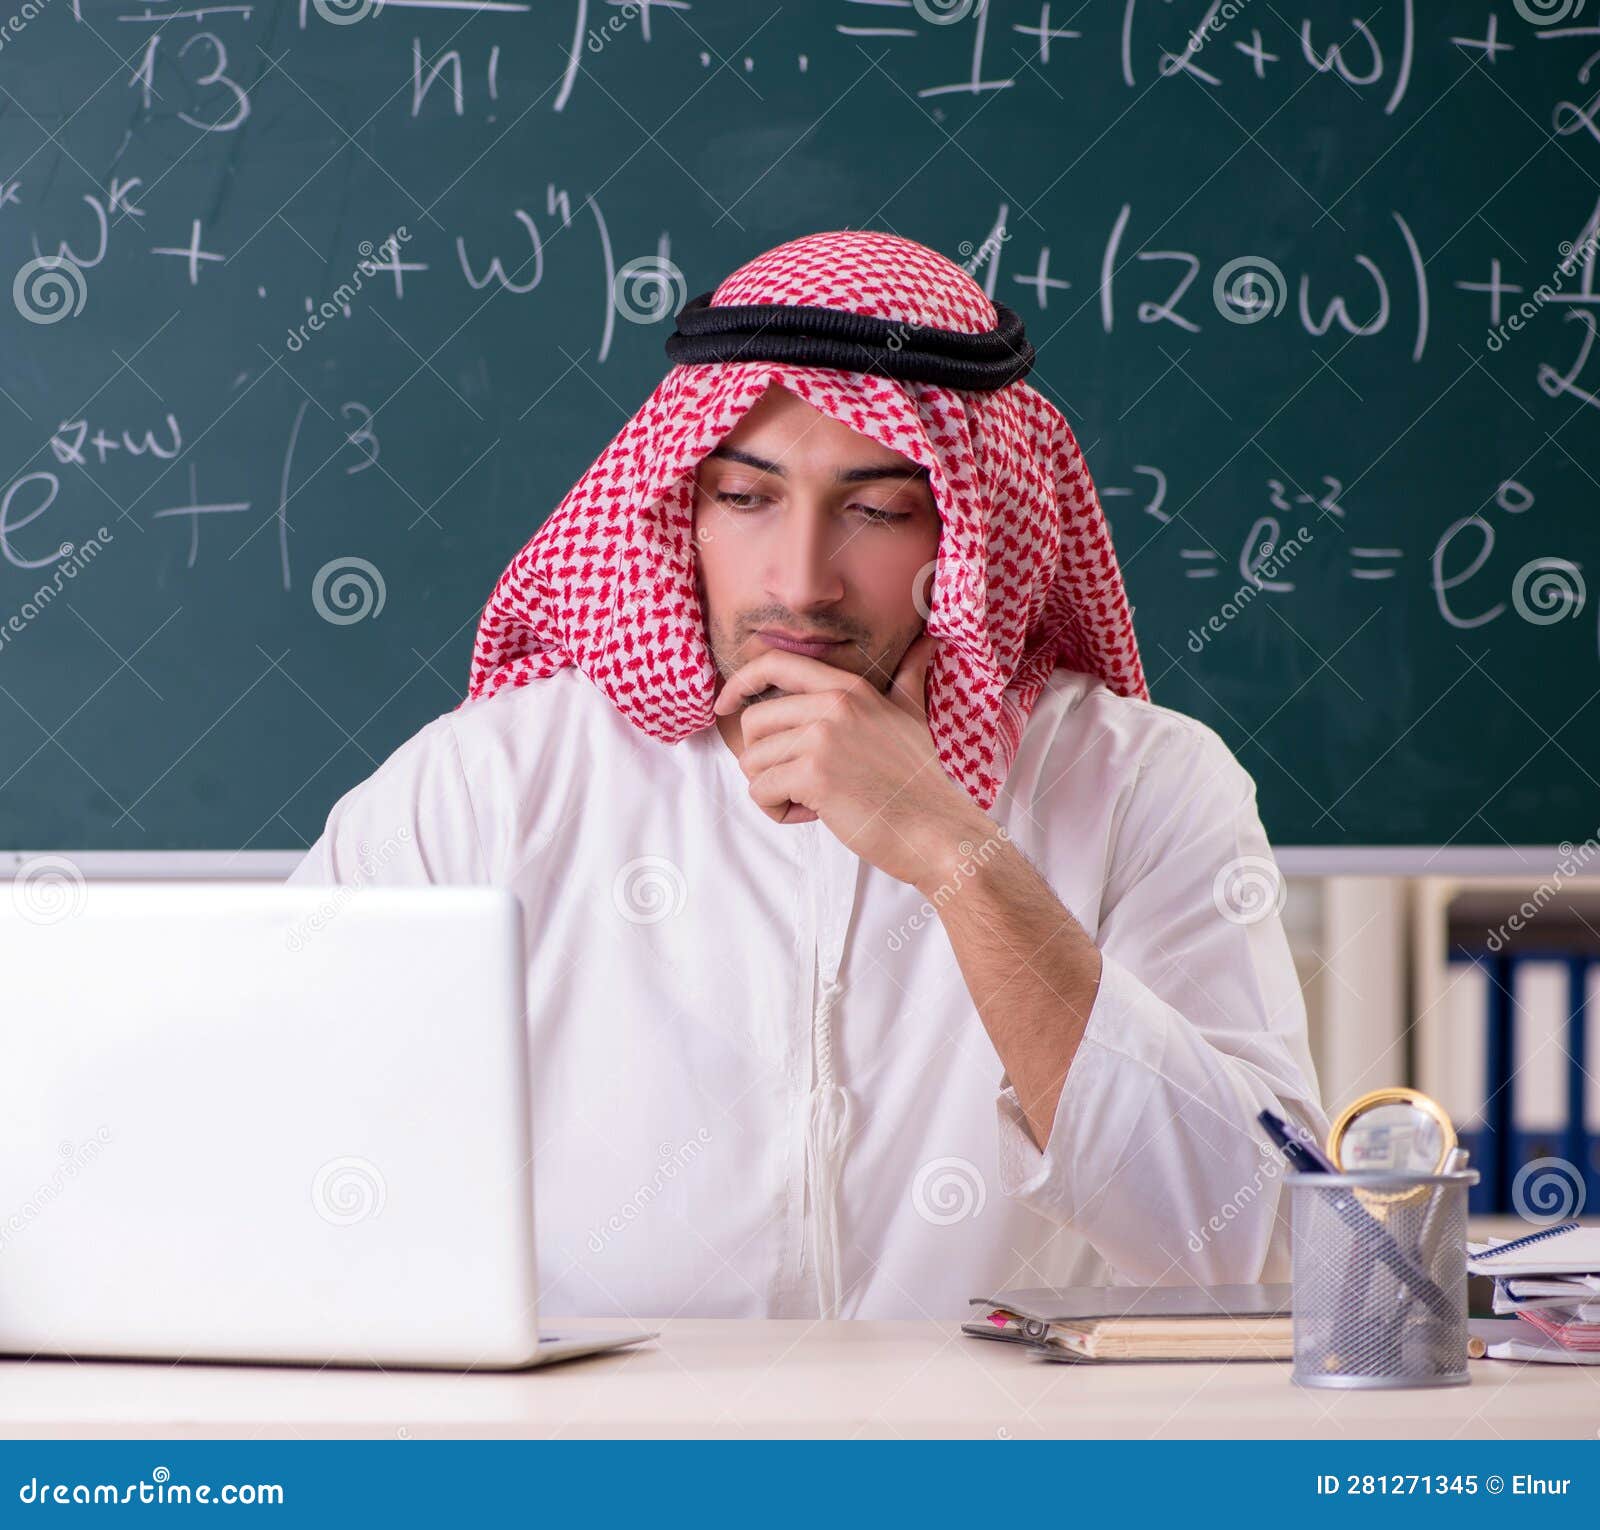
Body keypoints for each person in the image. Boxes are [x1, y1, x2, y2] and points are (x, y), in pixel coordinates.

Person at [287, 229, 1327, 1322]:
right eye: (747, 498)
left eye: (876, 511)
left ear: (970, 529)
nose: (799, 582)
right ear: (681, 508)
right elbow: (273, 1168)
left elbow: (1259, 1250)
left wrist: (951, 848)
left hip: (997, 1436)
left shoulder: (1145, 786)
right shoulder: (489, 785)